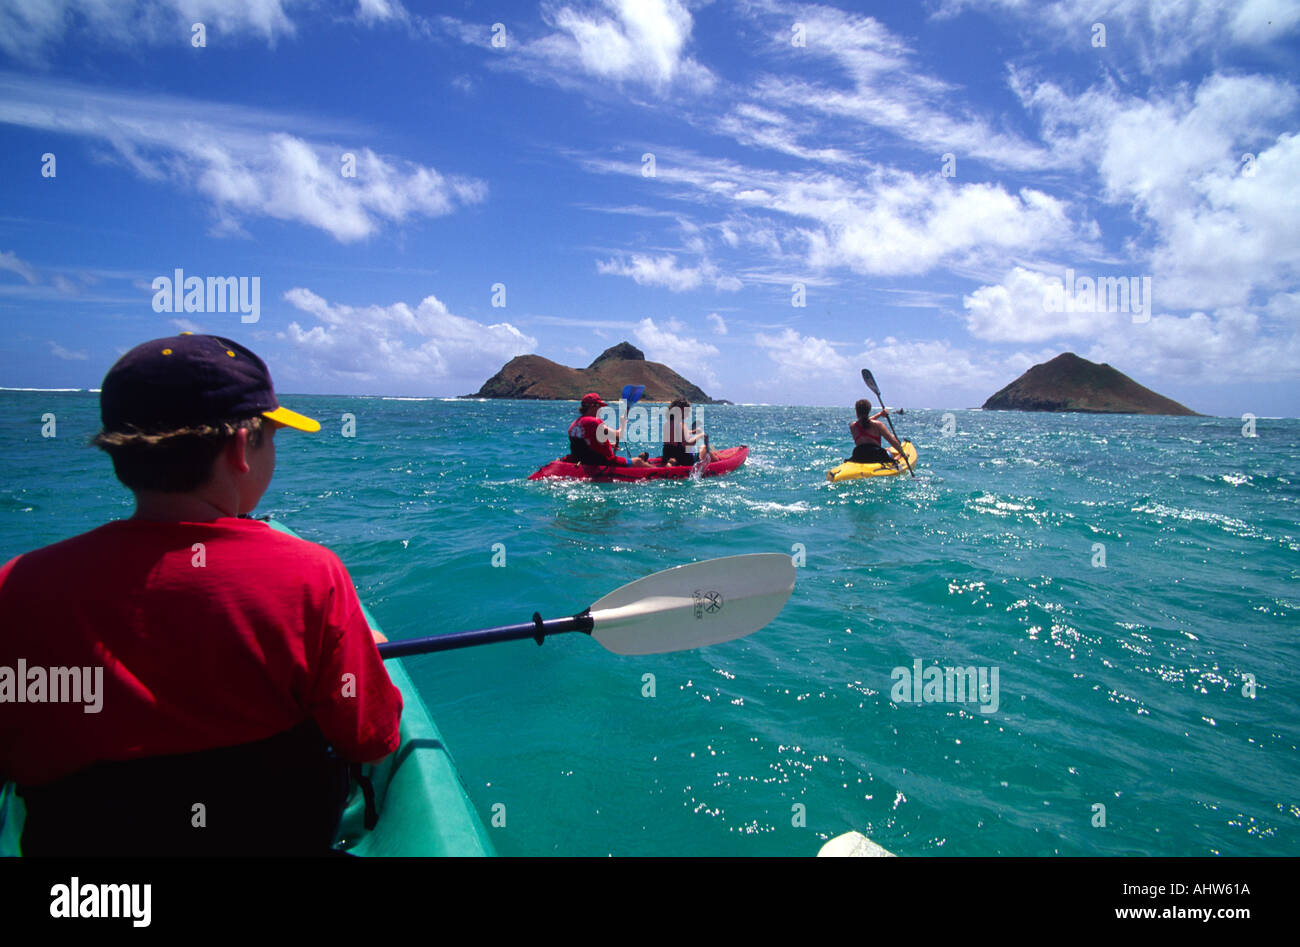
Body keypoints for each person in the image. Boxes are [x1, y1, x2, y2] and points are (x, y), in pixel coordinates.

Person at [0, 333, 403, 855]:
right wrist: (357, 650)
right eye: (272, 437)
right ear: (240, 448)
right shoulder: (310, 577)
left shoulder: (18, 586)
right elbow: (370, 738)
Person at [566, 392, 651, 467]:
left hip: (583, 459)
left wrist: (610, 445)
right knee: (638, 461)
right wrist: (623, 423)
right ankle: (661, 473)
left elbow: (585, 445)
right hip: (601, 462)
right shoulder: (594, 422)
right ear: (593, 406)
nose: (600, 409)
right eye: (599, 406)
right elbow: (618, 435)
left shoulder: (574, 424)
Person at [662, 398, 720, 466]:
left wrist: (692, 431)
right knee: (703, 447)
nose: (689, 412)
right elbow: (688, 442)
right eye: (687, 410)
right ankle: (718, 464)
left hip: (667, 456)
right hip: (683, 459)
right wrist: (700, 435)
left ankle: (670, 462)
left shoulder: (667, 424)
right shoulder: (681, 425)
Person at [847, 398, 902, 464]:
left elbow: (863, 422)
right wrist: (902, 453)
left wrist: (880, 414)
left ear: (856, 411)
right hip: (877, 456)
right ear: (869, 410)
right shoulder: (878, 425)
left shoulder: (853, 426)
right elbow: (892, 441)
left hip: (859, 456)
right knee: (891, 452)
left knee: (887, 449)